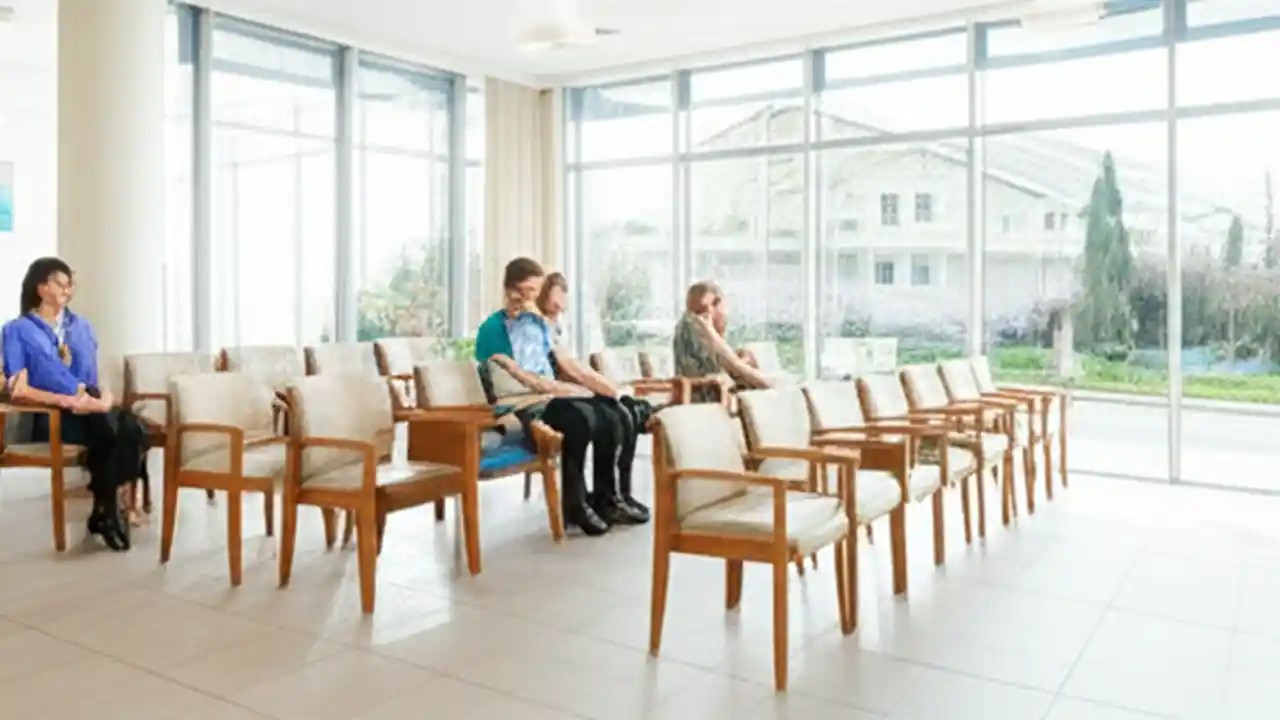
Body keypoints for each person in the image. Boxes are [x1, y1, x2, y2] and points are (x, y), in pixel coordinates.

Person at [475, 258, 649, 537]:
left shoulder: (538, 325)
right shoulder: (493, 328)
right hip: (522, 405)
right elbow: (521, 377)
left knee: (611, 412)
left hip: (546, 395)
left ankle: (607, 497)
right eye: (526, 290)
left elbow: (560, 364)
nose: (531, 297)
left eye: (535, 290)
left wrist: (603, 390)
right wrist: (564, 389)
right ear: (509, 289)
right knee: (579, 419)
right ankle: (574, 503)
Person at [1, 257, 141, 550]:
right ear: (41, 287)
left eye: (70, 283)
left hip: (90, 407)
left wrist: (106, 399)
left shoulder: (82, 327)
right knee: (115, 430)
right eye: (60, 282)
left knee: (133, 426)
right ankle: (106, 510)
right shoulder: (18, 330)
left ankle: (103, 508)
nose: (68, 289)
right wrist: (69, 400)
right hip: (53, 414)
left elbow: (98, 376)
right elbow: (20, 390)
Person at [672, 280, 773, 403]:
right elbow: (728, 367)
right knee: (768, 388)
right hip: (708, 394)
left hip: (716, 387)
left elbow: (724, 364)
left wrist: (740, 360)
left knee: (748, 358)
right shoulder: (697, 328)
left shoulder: (693, 326)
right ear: (716, 304)